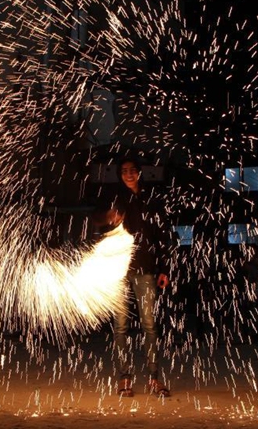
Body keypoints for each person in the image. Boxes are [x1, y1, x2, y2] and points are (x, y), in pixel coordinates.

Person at [93, 157, 171, 397]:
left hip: (145, 270)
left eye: (132, 170)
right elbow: (100, 226)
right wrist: (107, 220)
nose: (128, 174)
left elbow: (162, 234)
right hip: (119, 272)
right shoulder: (115, 199)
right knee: (121, 327)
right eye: (124, 171)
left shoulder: (151, 200)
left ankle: (154, 379)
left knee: (149, 325)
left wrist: (164, 268)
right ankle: (124, 378)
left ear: (139, 173)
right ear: (120, 174)